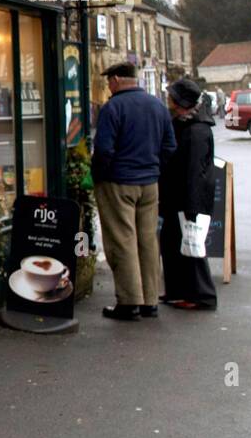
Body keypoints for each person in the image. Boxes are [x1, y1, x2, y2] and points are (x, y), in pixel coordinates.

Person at [91, 62, 177, 321]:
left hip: (118, 182)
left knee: (122, 240)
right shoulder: (157, 105)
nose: (108, 85)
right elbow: (169, 146)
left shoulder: (112, 107)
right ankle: (150, 301)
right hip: (149, 183)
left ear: (116, 79)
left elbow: (104, 150)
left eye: (109, 81)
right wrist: (153, 168)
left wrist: (101, 175)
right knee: (148, 240)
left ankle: (129, 303)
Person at [160, 77, 218, 309]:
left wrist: (193, 207)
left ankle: (202, 296)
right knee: (172, 243)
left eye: (171, 96)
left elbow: (196, 171)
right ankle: (177, 291)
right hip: (178, 196)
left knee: (191, 245)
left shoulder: (196, 131)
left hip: (188, 199)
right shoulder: (186, 123)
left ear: (179, 101)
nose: (168, 98)